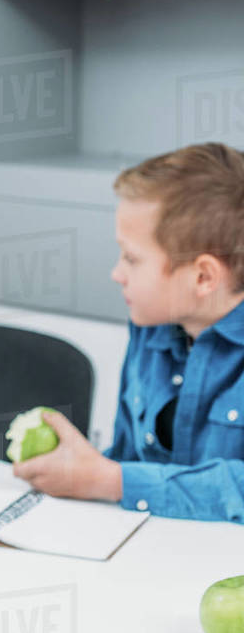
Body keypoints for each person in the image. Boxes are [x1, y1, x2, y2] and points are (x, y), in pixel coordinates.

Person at [14, 143, 244, 523]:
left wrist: (112, 481)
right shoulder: (148, 328)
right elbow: (126, 455)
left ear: (203, 277)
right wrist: (86, 470)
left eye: (132, 258)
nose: (116, 273)